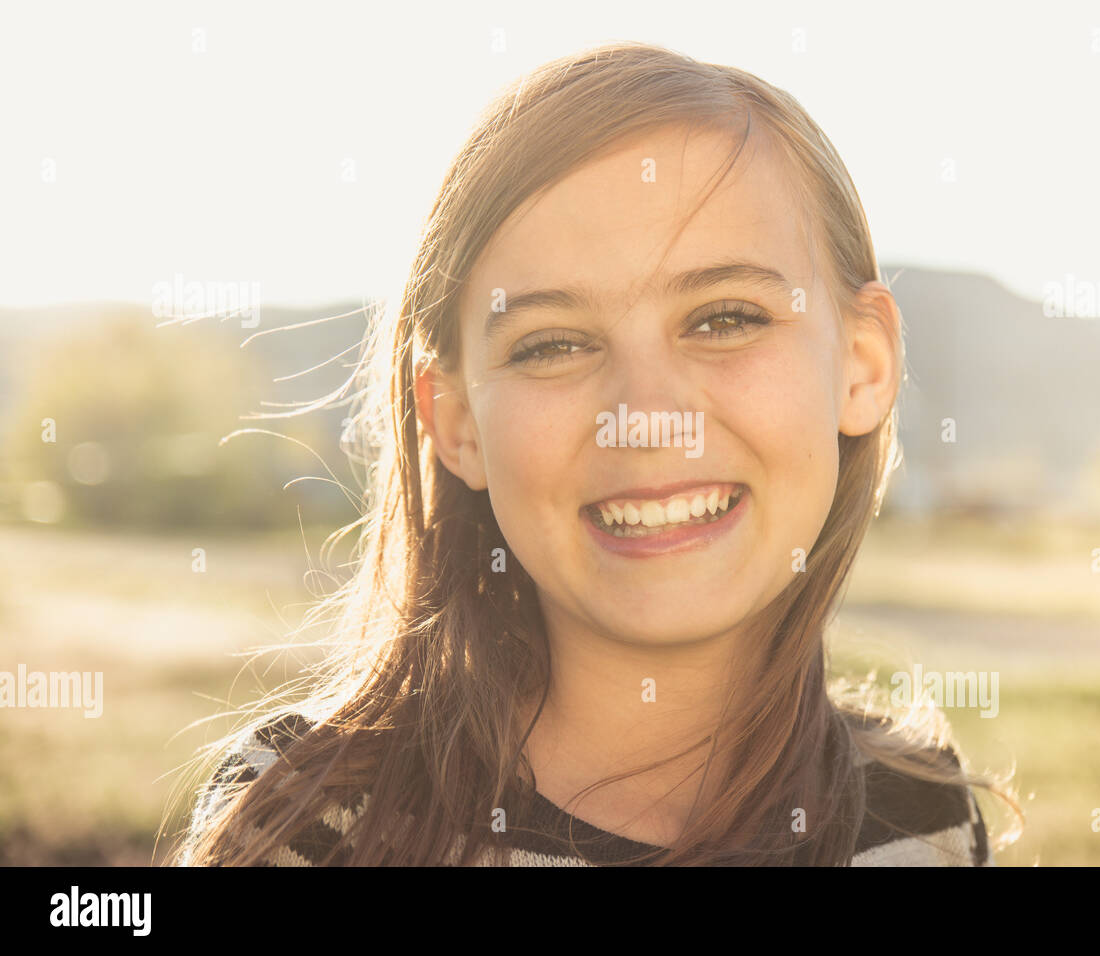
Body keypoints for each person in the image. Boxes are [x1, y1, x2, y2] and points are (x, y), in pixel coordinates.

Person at [175, 40, 1019, 867]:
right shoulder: (311, 825)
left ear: (863, 367)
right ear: (458, 423)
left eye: (726, 319)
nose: (647, 417)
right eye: (553, 345)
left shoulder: (923, 823)